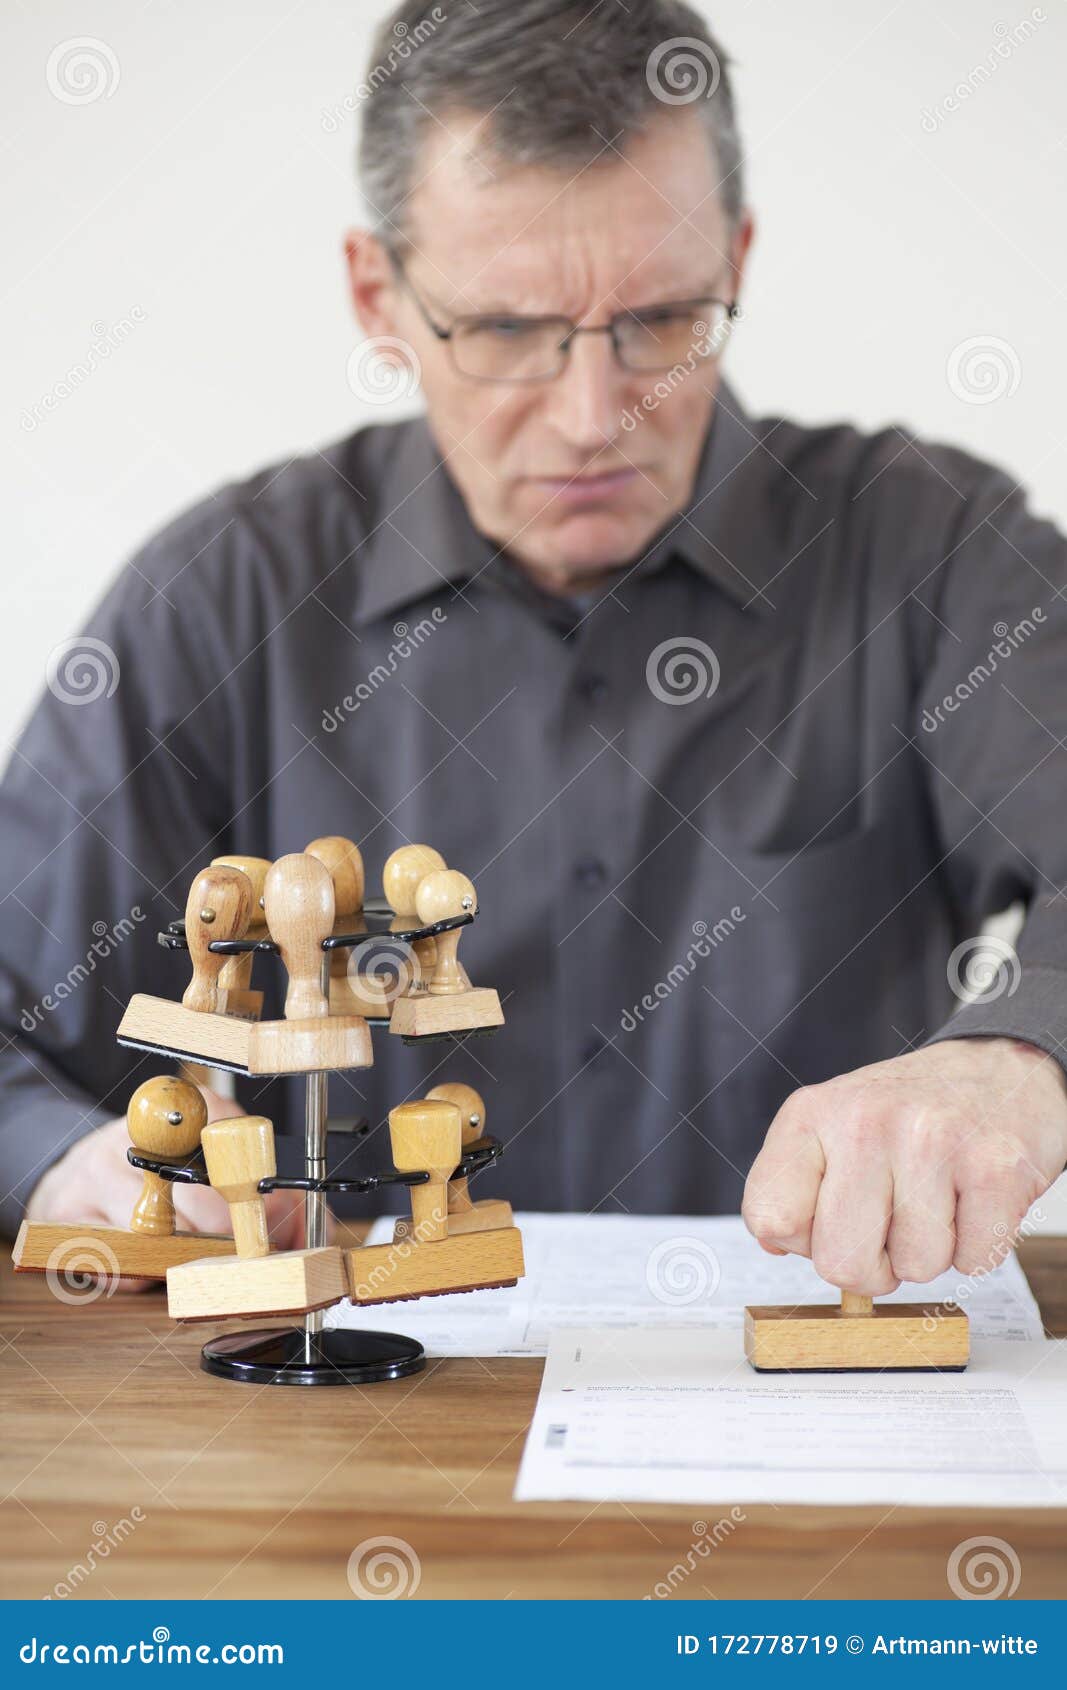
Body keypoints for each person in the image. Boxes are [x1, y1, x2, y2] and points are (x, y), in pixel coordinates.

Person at [5, 0, 1067, 1301]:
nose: (592, 415)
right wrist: (66, 1165)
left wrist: (1022, 1054)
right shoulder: (223, 597)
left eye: (662, 318)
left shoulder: (940, 553)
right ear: (378, 293)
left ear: (738, 259)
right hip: (354, 1403)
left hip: (808, 1390)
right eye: (508, 330)